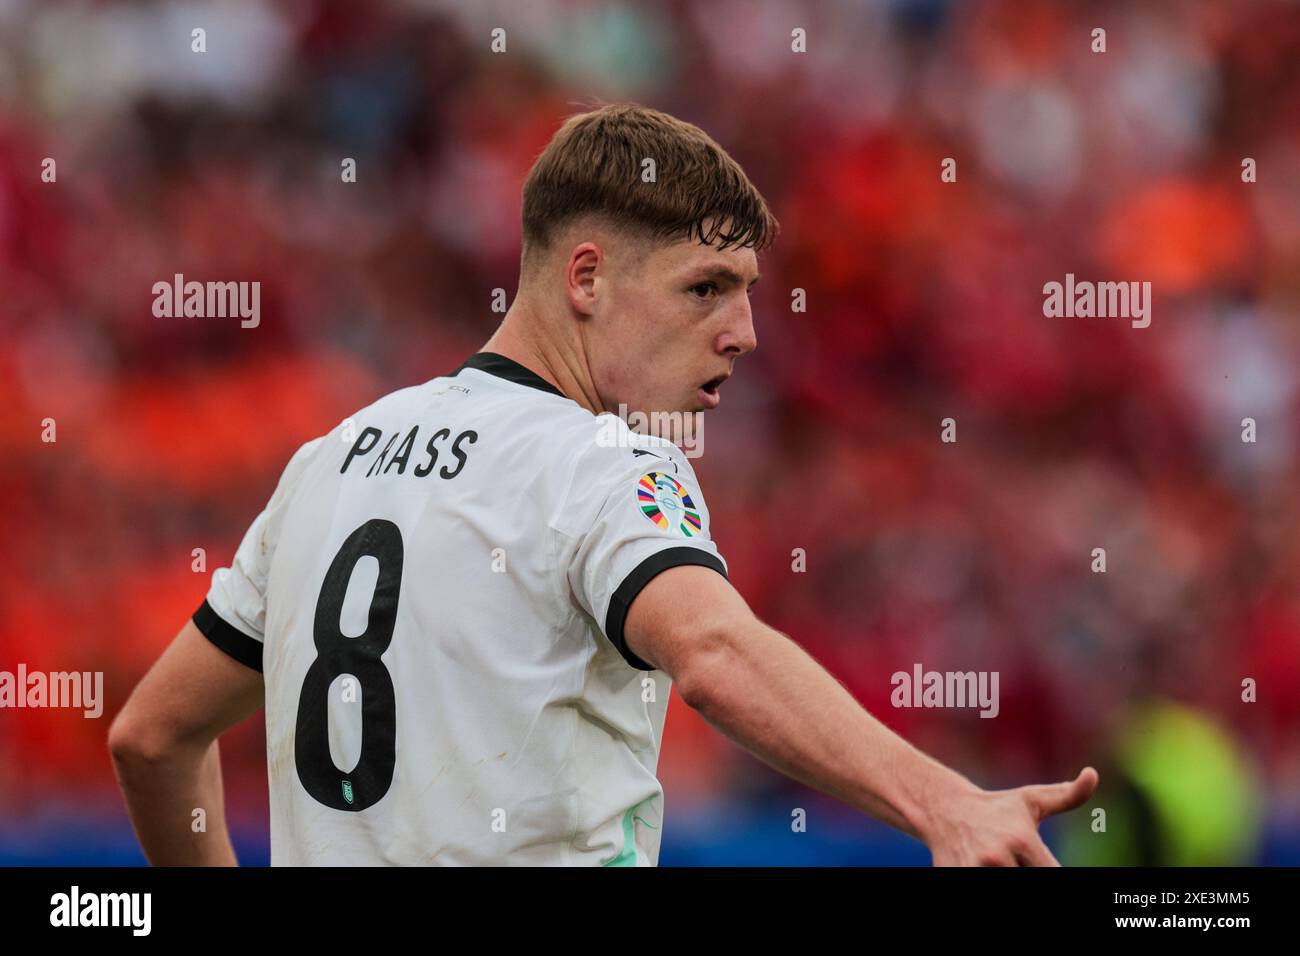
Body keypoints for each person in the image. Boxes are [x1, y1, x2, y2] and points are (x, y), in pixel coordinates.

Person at [109, 103, 1097, 866]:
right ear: (585, 277)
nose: (745, 332)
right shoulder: (601, 463)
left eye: (748, 293)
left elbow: (153, 737)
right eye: (706, 286)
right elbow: (712, 650)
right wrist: (946, 802)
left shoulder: (330, 458)